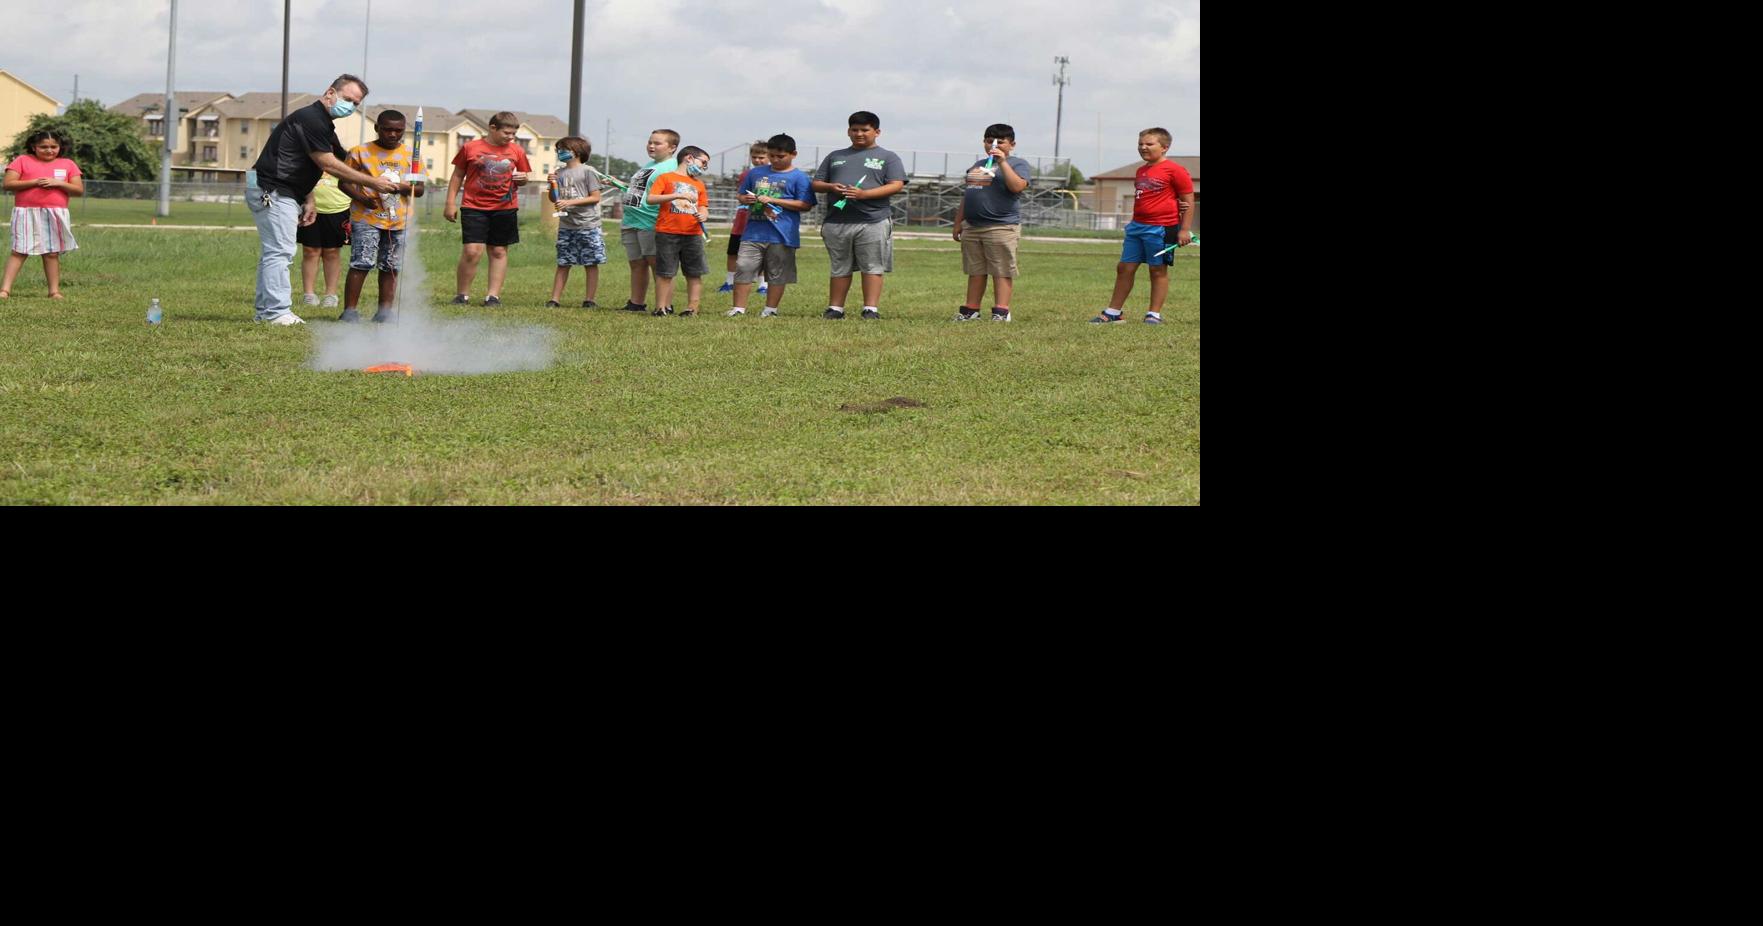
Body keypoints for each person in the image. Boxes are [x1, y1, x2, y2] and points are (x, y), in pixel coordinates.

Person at [245, 74, 400, 325]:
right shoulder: (311, 119)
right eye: (347, 99)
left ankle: (265, 311)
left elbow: (344, 157)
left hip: (286, 191)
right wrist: (374, 182)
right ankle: (276, 312)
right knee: (280, 252)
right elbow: (329, 164)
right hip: (272, 190)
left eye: (356, 103)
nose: (350, 106)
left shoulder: (324, 124)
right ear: (330, 93)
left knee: (274, 252)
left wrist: (383, 161)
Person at [1091, 127, 1194, 325]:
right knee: (1124, 268)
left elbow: (1187, 200)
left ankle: (1153, 314)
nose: (1143, 147)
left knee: (1157, 270)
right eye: (1140, 144)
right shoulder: (1142, 170)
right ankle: (1113, 313)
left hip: (1161, 228)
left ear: (1164, 147)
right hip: (1137, 227)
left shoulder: (1175, 170)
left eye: (1149, 144)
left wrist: (1184, 229)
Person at [810, 110, 907, 320]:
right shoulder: (835, 156)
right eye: (855, 130)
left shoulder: (888, 157)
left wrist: (864, 194)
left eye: (865, 129)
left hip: (873, 220)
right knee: (839, 265)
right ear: (848, 131)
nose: (859, 134)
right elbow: (816, 183)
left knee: (872, 265)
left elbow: (896, 184)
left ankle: (870, 309)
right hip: (837, 221)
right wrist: (831, 186)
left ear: (877, 131)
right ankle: (835, 308)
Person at [337, 109, 423, 323]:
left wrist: (400, 187)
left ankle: (384, 311)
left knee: (391, 266)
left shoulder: (411, 155)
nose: (393, 134)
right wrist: (362, 198)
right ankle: (350, 311)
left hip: (399, 221)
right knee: (362, 262)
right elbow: (344, 182)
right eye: (387, 129)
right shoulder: (359, 152)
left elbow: (419, 190)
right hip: (367, 217)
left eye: (398, 130)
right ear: (377, 128)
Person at [443, 111, 531, 307]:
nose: (510, 137)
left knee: (499, 250)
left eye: (513, 134)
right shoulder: (470, 148)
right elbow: (457, 175)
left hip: (505, 207)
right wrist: (450, 202)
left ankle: (493, 296)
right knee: (472, 251)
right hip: (474, 206)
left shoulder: (517, 151)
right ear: (492, 128)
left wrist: (524, 179)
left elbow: (524, 177)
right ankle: (462, 295)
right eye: (506, 133)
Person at [727, 133, 813, 318]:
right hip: (752, 232)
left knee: (777, 273)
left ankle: (770, 309)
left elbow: (805, 204)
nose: (775, 160)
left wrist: (774, 200)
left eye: (780, 156)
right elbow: (741, 195)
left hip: (782, 235)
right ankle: (738, 309)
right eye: (772, 155)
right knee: (743, 267)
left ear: (793, 154)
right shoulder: (756, 173)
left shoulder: (799, 177)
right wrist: (747, 198)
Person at [952, 123, 1030, 322]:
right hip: (973, 226)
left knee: (1001, 269)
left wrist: (1002, 162)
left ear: (1011, 144)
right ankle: (971, 310)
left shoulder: (1017, 164)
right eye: (989, 141)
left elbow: (1017, 187)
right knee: (975, 270)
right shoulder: (977, 165)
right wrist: (959, 222)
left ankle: (1001, 311)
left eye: (1000, 142)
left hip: (1001, 226)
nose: (993, 145)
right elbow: (969, 195)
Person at [1, 130, 82, 300]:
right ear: (34, 146)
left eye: (54, 146)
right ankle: (5, 290)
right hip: (26, 212)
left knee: (52, 253)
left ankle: (54, 291)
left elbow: (78, 190)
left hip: (55, 213)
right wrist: (34, 182)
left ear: (60, 147)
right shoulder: (22, 160)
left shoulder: (68, 164)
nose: (49, 150)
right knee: (19, 250)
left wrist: (58, 183)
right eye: (43, 146)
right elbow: (8, 184)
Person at [614, 129, 680, 313]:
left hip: (651, 222)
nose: (651, 146)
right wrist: (619, 184)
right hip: (631, 220)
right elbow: (643, 190)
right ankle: (636, 303)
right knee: (636, 263)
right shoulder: (649, 165)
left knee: (658, 265)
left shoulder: (671, 167)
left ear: (672, 147)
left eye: (657, 143)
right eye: (650, 142)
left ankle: (665, 305)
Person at [644, 145, 711, 316]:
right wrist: (676, 195)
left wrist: (703, 215)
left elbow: (703, 206)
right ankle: (661, 308)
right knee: (665, 272)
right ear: (689, 158)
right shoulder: (665, 178)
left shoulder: (699, 184)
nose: (704, 167)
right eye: (703, 162)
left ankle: (692, 308)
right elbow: (651, 198)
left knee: (694, 273)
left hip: (693, 234)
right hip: (667, 232)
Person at [545, 136, 604, 308]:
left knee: (591, 262)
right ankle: (554, 299)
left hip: (588, 225)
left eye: (563, 149)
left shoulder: (588, 171)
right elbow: (553, 198)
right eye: (558, 150)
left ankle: (590, 299)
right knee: (563, 262)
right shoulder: (558, 172)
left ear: (576, 152)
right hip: (567, 225)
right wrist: (552, 184)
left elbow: (595, 197)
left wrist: (570, 202)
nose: (559, 153)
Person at [718, 140, 771, 295]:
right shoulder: (745, 175)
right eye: (754, 157)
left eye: (762, 157)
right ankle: (729, 282)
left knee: (762, 253)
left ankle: (763, 285)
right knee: (733, 251)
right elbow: (740, 194)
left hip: (761, 221)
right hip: (742, 220)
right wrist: (743, 199)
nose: (757, 160)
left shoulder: (772, 175)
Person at [296, 174, 351, 311]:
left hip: (338, 207)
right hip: (309, 205)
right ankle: (309, 294)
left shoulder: (349, 152)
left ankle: (330, 295)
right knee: (310, 251)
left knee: (332, 252)